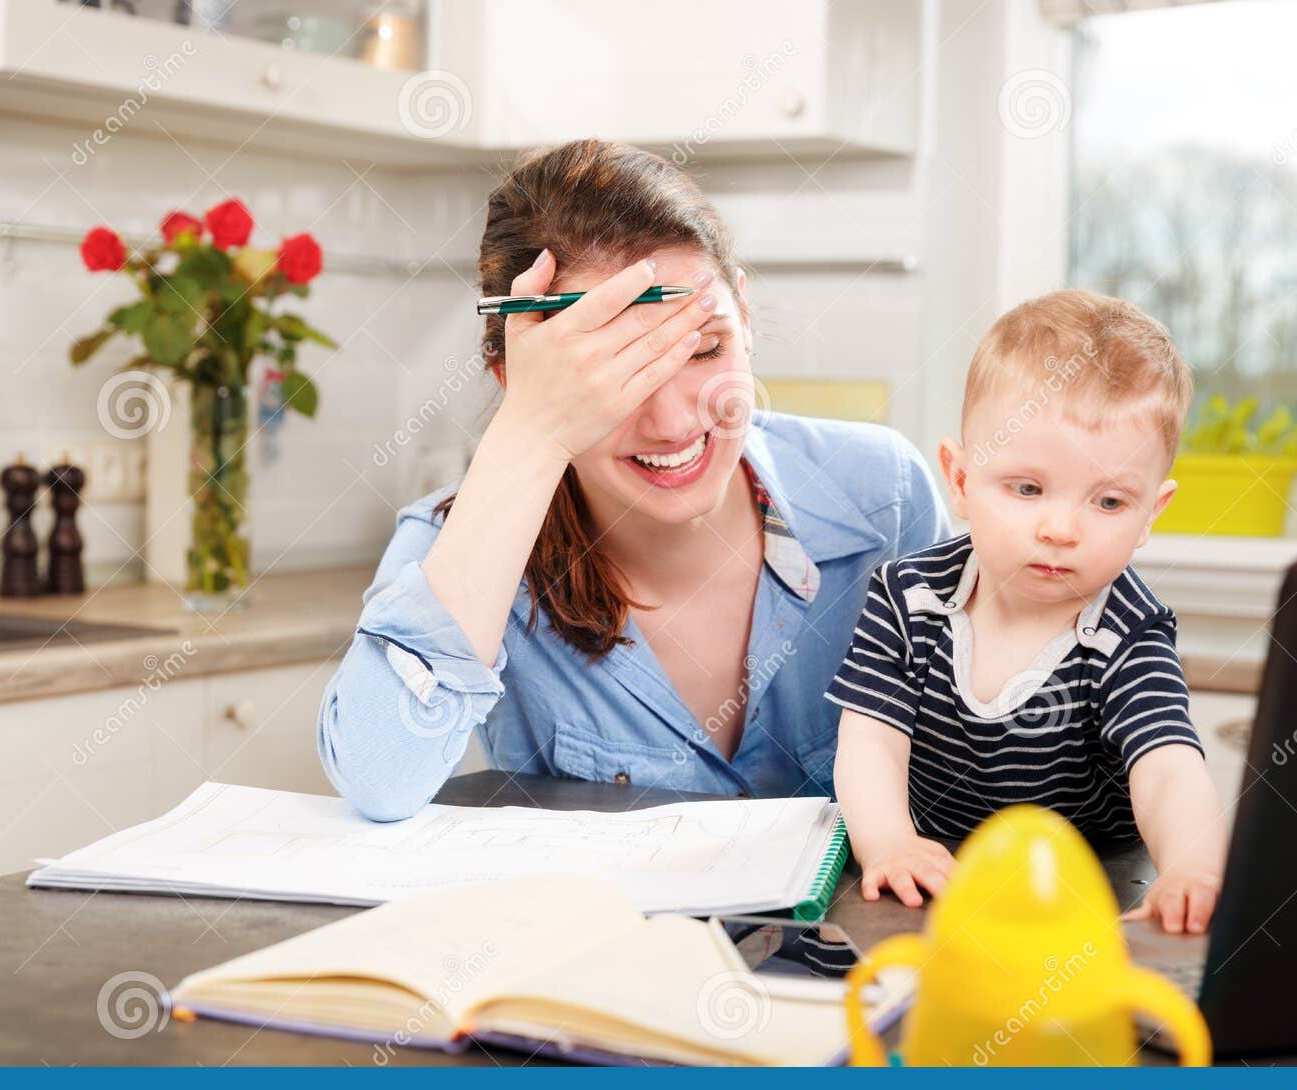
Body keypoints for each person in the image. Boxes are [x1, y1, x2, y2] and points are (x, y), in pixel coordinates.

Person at [318, 139, 950, 821]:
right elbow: (379, 779)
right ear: (519, 384)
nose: (673, 419)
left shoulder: (885, 496)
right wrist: (528, 436)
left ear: (743, 312)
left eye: (704, 348)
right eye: (611, 375)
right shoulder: (454, 547)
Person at [827, 289, 1228, 933]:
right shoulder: (907, 596)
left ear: (1153, 512)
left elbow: (1167, 767)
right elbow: (871, 739)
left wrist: (1191, 867)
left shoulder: (1129, 631)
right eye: (1028, 488)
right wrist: (889, 841)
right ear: (960, 482)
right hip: (932, 869)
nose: (1061, 527)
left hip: (1085, 888)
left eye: (1108, 502)